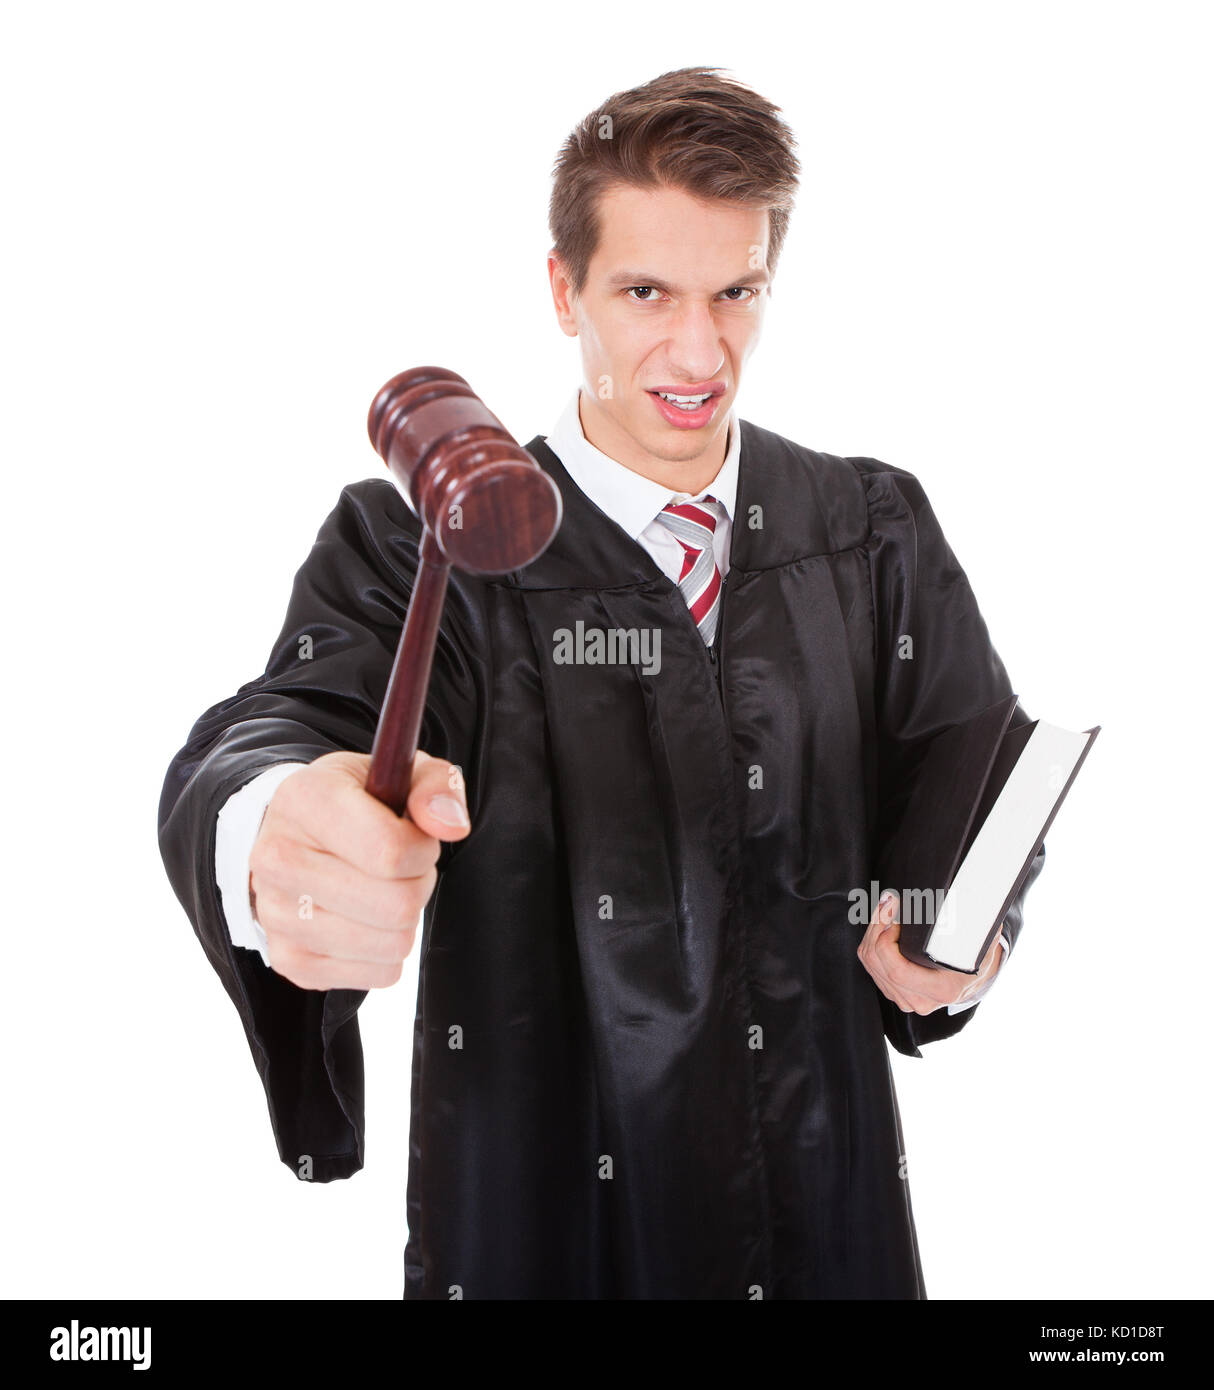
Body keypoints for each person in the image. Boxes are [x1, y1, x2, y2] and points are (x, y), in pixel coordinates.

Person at [158, 65, 1043, 1299]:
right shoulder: (428, 550)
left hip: (827, 1217)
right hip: (545, 1230)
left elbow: (960, 782)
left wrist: (957, 932)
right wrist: (271, 829)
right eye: (645, 292)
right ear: (562, 289)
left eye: (737, 291)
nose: (699, 349)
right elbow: (284, 726)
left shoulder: (868, 527)